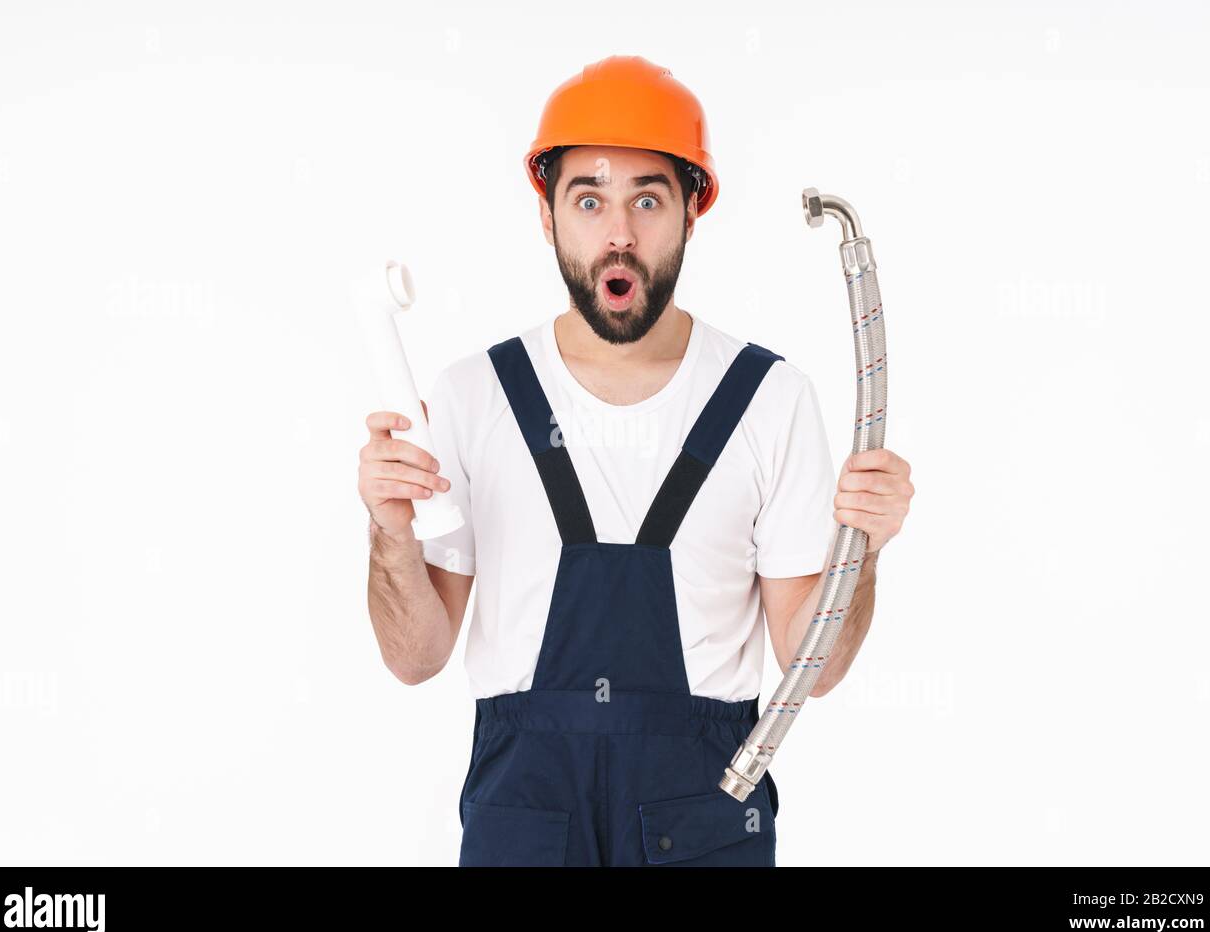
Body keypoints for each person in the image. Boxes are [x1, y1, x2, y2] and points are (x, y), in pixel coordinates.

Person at [357, 55, 915, 866]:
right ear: (547, 215)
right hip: (526, 821)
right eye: (589, 199)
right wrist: (389, 534)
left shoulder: (768, 398)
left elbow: (811, 669)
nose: (619, 233)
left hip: (706, 825)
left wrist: (862, 552)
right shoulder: (475, 394)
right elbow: (415, 657)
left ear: (693, 210)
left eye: (647, 200)